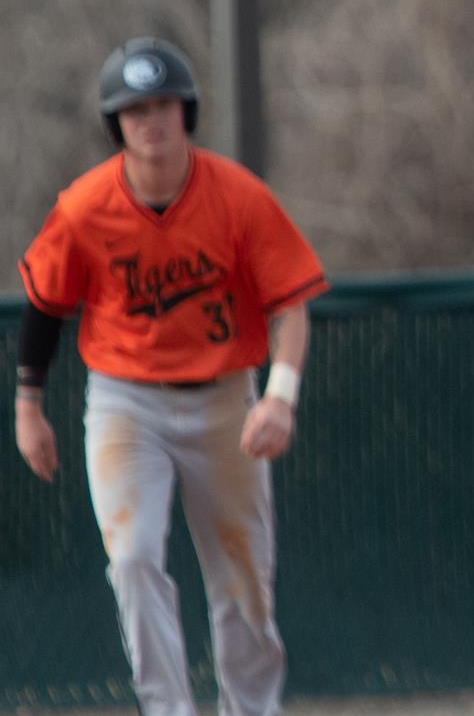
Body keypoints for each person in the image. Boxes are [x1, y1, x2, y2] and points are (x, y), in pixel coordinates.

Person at [14, 37, 328, 716]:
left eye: (162, 105)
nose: (150, 120)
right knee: (131, 559)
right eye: (133, 110)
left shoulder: (237, 196)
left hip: (224, 402)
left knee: (244, 580)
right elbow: (45, 303)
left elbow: (291, 306)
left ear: (186, 111)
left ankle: (250, 709)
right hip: (127, 405)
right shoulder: (85, 206)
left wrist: (281, 395)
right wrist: (27, 405)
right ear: (116, 124)